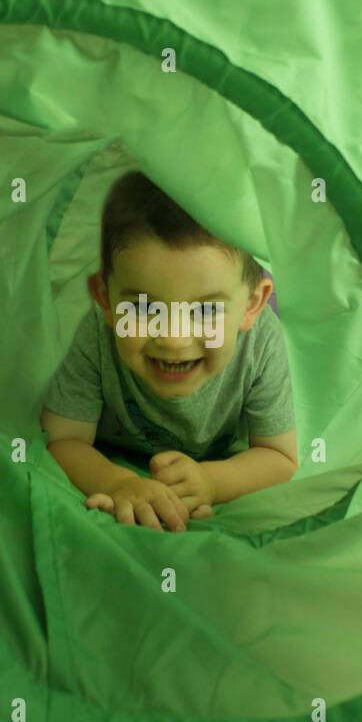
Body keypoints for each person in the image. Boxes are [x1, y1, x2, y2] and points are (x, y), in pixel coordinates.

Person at [39, 170, 297, 532]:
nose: (174, 338)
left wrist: (210, 482)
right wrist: (119, 484)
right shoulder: (94, 333)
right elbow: (64, 440)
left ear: (252, 306)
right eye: (144, 307)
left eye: (206, 311)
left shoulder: (263, 343)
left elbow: (279, 457)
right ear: (105, 300)